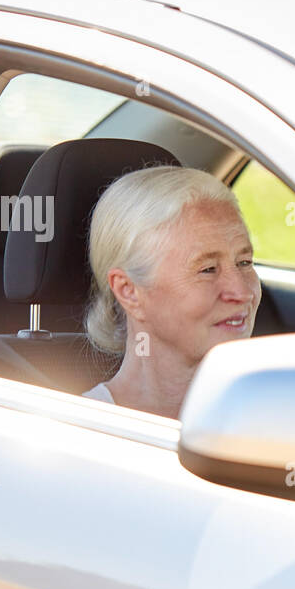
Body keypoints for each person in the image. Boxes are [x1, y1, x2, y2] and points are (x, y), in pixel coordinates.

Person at [81, 166, 261, 418]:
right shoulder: (82, 435)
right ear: (129, 291)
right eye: (208, 269)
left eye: (244, 262)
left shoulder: (275, 416)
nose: (242, 292)